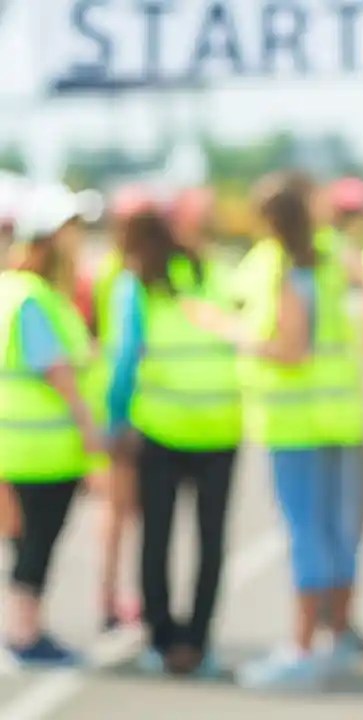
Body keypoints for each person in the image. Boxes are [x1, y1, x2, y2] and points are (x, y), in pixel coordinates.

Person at [186, 172, 363, 690]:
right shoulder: (331, 257)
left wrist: (228, 329)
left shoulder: (283, 267)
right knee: (334, 533)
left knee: (306, 535)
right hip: (338, 414)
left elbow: (291, 348)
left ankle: (304, 647)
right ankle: (337, 638)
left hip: (296, 421)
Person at [105, 207, 242, 677]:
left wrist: (115, 420)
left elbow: (125, 357)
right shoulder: (212, 273)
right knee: (211, 540)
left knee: (156, 538)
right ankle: (199, 641)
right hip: (220, 424)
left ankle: (161, 639)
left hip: (161, 425)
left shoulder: (136, 284)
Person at [0, 184, 102, 665]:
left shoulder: (13, 290)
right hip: (43, 448)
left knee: (25, 541)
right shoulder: (35, 298)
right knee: (36, 544)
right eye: (71, 229)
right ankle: (25, 633)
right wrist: (90, 433)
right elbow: (57, 371)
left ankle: (24, 630)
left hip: (17, 442)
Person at [93, 184, 157, 633]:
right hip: (130, 409)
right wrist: (118, 417)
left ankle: (113, 595)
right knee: (122, 512)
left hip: (120, 404)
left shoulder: (111, 272)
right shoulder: (129, 278)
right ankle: (112, 598)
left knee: (119, 513)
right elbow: (124, 352)